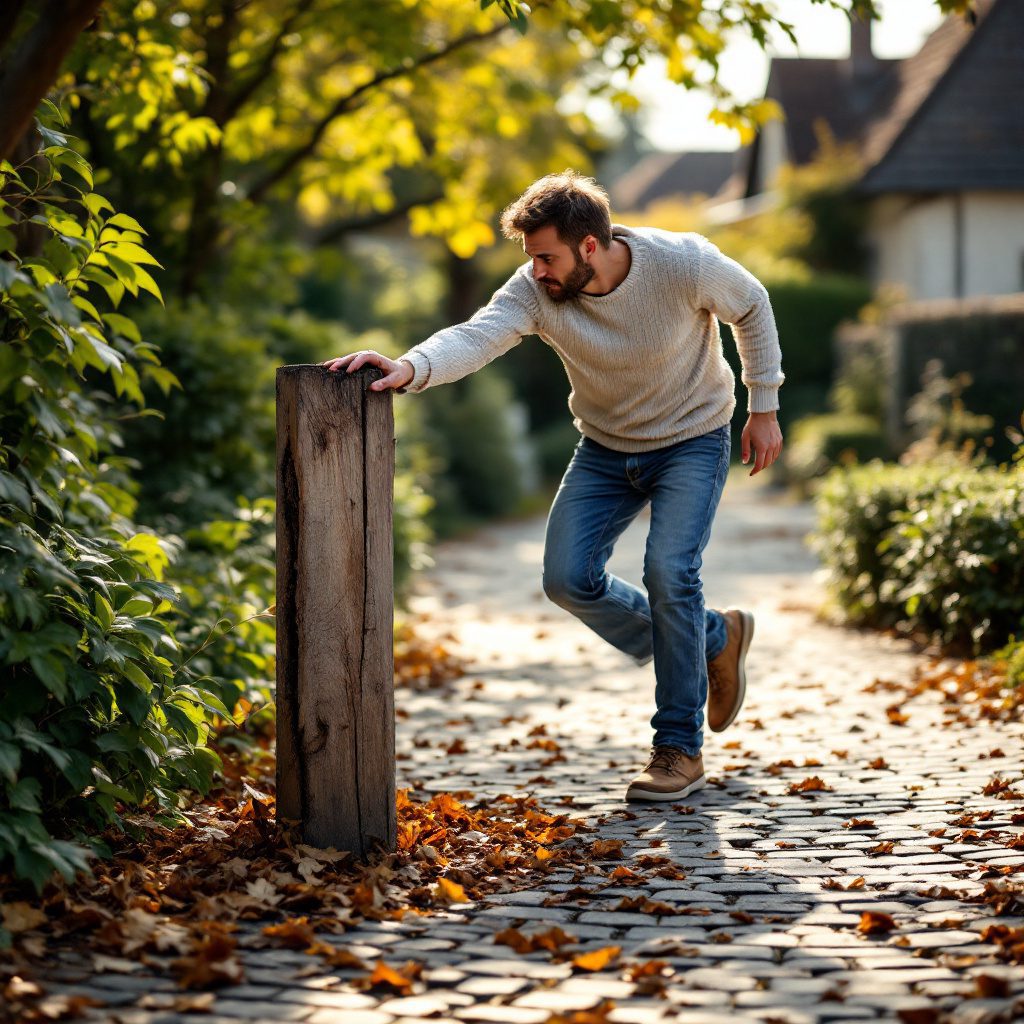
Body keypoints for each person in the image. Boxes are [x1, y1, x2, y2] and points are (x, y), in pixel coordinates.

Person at [322, 170, 784, 802]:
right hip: (605, 448)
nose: (536, 270)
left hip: (691, 439)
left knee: (670, 573)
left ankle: (677, 748)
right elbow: (478, 334)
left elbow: (752, 305)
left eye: (546, 256)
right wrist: (410, 366)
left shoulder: (682, 264)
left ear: (589, 246)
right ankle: (712, 637)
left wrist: (763, 406)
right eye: (531, 258)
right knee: (568, 579)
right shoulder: (536, 289)